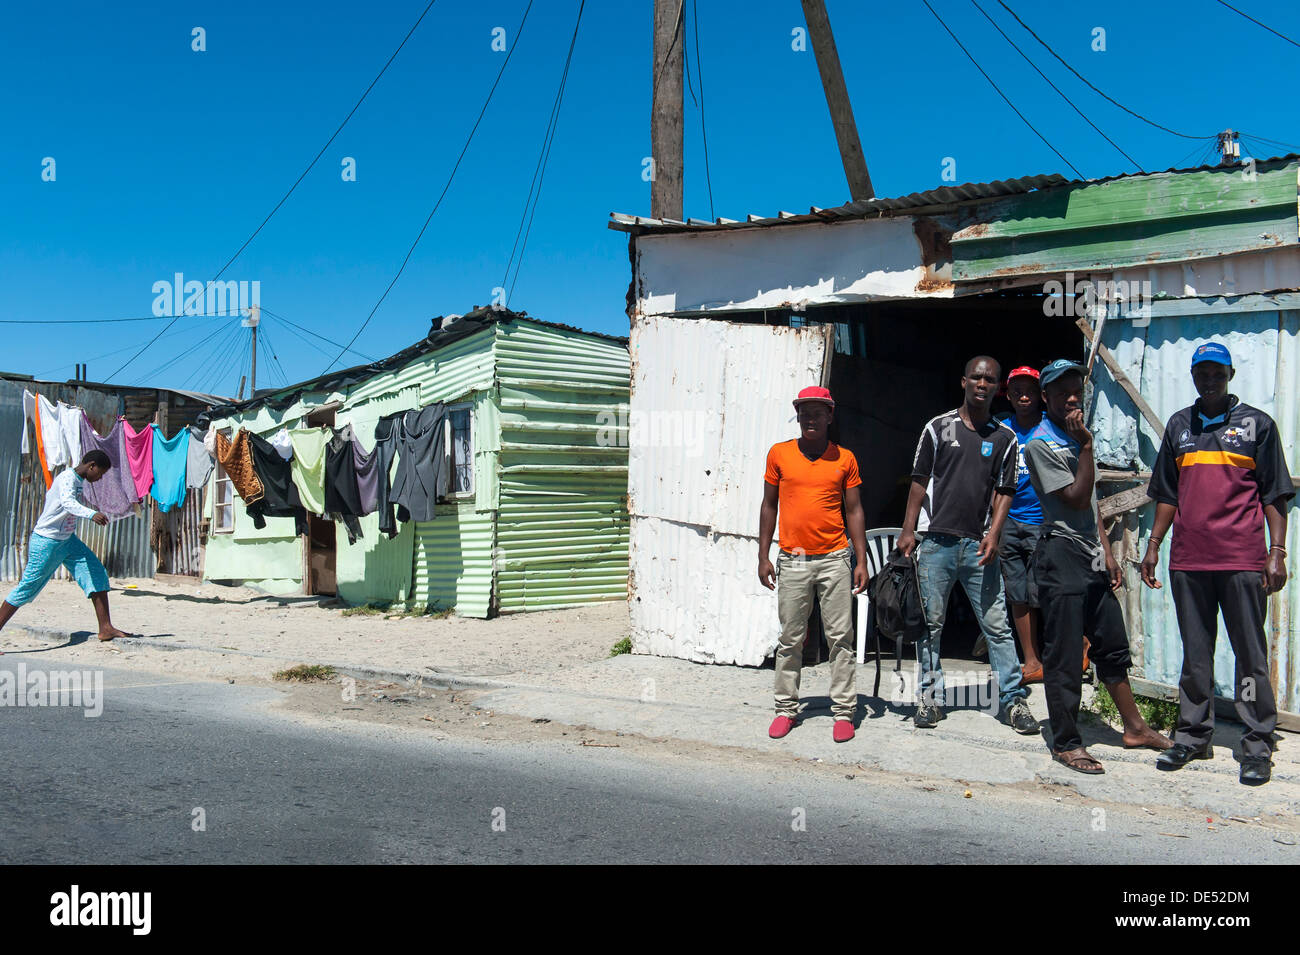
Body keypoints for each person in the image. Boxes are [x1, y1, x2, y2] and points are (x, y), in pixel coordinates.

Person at [1141, 342, 1293, 786]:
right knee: (1196, 654)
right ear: (1193, 376)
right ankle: (1192, 736)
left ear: (1229, 375)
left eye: (1216, 373)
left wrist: (1277, 552)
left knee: (1249, 655)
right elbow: (1167, 495)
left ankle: (1257, 743)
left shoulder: (1256, 426)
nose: (1208, 381)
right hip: (1189, 559)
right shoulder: (1178, 426)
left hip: (1242, 559)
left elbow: (1275, 496)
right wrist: (1153, 545)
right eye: (1201, 373)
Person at [1023, 360, 1171, 773]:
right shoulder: (1041, 444)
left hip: (1088, 552)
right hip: (1059, 556)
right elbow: (1073, 496)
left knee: (1111, 643)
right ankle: (1067, 742)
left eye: (1077, 390)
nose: (1072, 398)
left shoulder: (1074, 437)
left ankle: (1135, 727)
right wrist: (1086, 447)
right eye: (1062, 392)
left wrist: (1106, 551)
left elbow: (1089, 508)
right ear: (1046, 398)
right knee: (1066, 654)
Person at [898, 356, 1038, 735]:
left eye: (990, 379)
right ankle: (930, 698)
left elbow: (1005, 491)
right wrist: (908, 530)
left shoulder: (1004, 438)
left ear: (998, 388)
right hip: (935, 542)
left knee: (997, 625)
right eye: (976, 377)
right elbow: (918, 480)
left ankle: (1012, 699)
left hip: (979, 546)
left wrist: (994, 533)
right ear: (963, 382)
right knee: (930, 625)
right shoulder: (937, 428)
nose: (982, 383)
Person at [759, 386, 868, 743]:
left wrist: (860, 559)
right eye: (805, 412)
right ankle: (785, 709)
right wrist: (763, 555)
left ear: (830, 417)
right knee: (790, 638)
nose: (811, 418)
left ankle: (843, 711)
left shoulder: (844, 458)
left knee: (841, 638)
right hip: (794, 560)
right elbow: (769, 506)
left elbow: (853, 510)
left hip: (835, 558)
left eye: (818, 412)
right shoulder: (780, 454)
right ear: (798, 415)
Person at [0, 450, 128, 652]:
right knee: (27, 589)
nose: (100, 477)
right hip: (47, 541)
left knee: (95, 573)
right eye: (100, 473)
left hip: (68, 540)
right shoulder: (68, 478)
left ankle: (105, 628)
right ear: (91, 465)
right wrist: (91, 514)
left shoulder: (78, 479)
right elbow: (68, 503)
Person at [998, 366, 1047, 685]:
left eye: (1030, 389)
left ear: (1042, 394)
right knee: (1017, 593)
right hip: (1009, 521)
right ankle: (1031, 661)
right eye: (1017, 390)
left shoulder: (1052, 427)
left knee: (1045, 592)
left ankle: (1069, 649)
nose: (1023, 395)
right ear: (1008, 394)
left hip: (1043, 522)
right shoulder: (1002, 429)